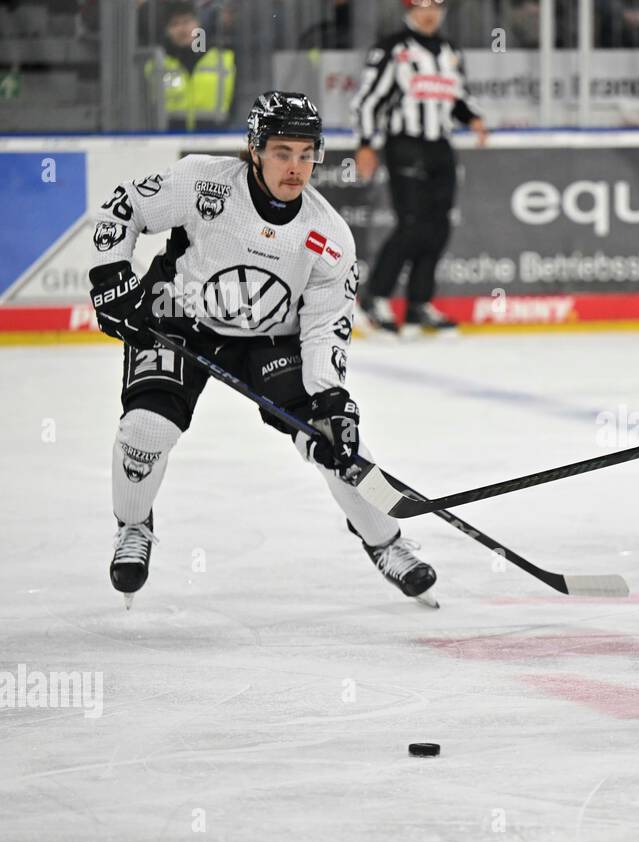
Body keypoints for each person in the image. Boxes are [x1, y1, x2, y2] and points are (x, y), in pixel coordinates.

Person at [87, 91, 439, 608]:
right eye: (282, 152)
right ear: (254, 149)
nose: (296, 167)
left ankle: (387, 543)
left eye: (306, 153)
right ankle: (133, 526)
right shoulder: (202, 181)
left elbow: (324, 325)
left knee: (337, 441)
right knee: (146, 428)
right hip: (182, 319)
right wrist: (113, 280)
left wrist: (331, 399)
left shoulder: (328, 236)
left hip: (271, 339)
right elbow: (123, 210)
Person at [351, 0, 489, 334]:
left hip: (441, 146)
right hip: (406, 144)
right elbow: (369, 100)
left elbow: (457, 97)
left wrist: (474, 118)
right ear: (408, 11)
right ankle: (374, 298)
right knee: (411, 224)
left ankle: (418, 304)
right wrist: (366, 144)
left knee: (438, 227)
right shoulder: (393, 49)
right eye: (421, 7)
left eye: (435, 7)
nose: (428, 14)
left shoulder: (449, 51)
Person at [142, 0, 236, 131]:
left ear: (199, 24)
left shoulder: (224, 58)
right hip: (168, 140)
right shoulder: (155, 65)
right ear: (167, 31)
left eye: (187, 21)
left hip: (218, 139)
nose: (182, 29)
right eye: (175, 24)